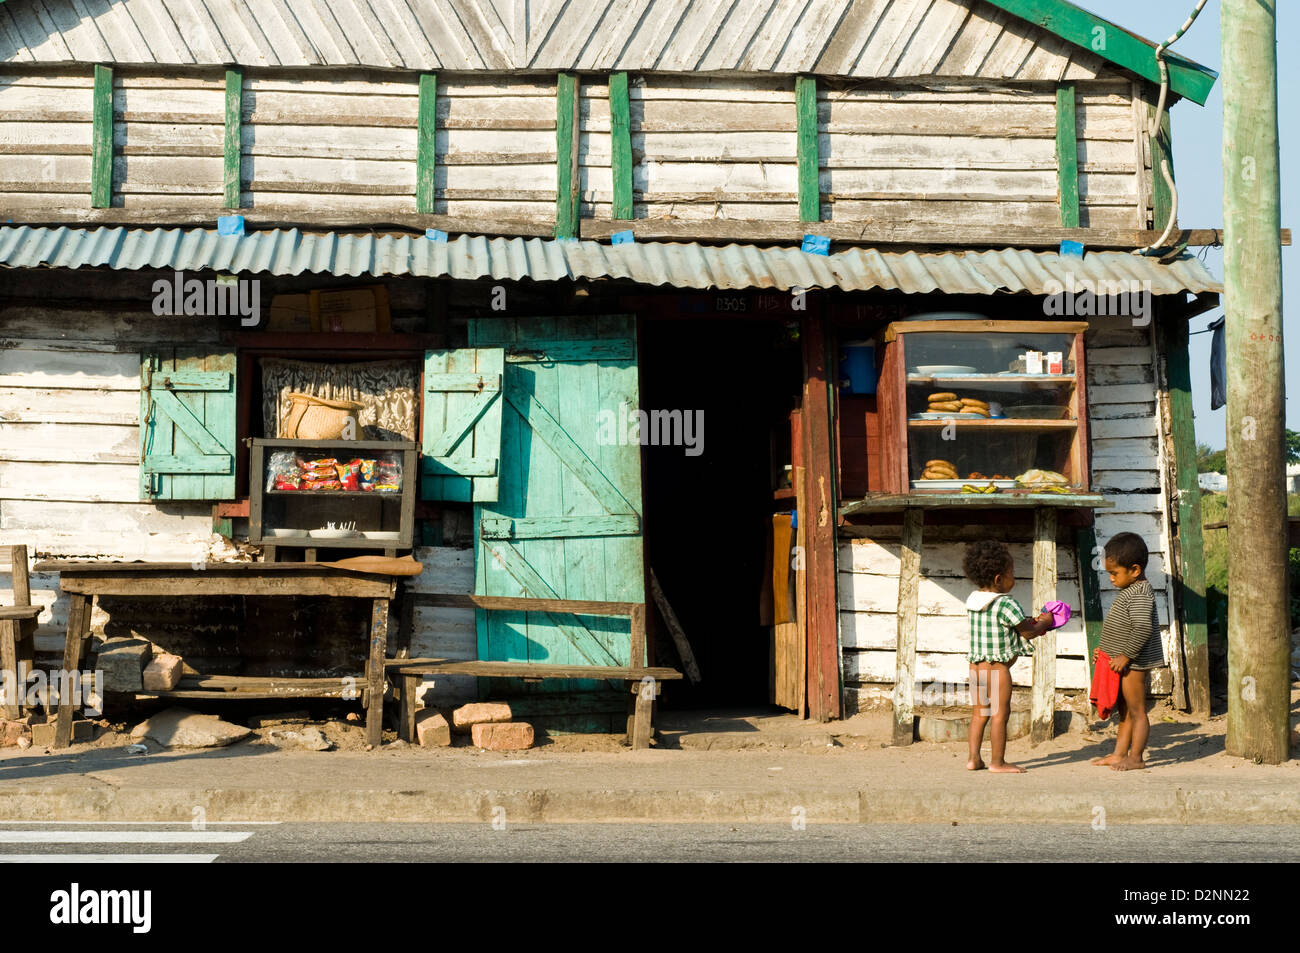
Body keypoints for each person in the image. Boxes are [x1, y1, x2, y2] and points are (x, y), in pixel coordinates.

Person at [962, 541, 1054, 773]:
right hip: (997, 669)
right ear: (998, 579)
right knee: (1000, 715)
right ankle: (997, 762)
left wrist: (1032, 621)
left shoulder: (973, 601)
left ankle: (974, 759)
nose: (1015, 579)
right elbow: (1027, 631)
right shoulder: (1006, 603)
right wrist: (1046, 621)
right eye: (1012, 574)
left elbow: (1004, 625)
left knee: (979, 714)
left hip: (976, 668)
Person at [1091, 532, 1163, 771]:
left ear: (1134, 570)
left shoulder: (1141, 593)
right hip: (1122, 661)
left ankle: (1136, 758)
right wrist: (1105, 651)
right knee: (1125, 712)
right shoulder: (1130, 591)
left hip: (1135, 664)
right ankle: (1119, 753)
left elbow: (1142, 628)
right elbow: (1123, 628)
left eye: (1114, 573)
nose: (1110, 578)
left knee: (1137, 711)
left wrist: (1126, 656)